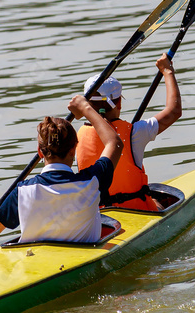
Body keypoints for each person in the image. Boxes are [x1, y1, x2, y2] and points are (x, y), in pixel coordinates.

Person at [0, 95, 123, 243]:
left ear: (40, 152)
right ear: (73, 150)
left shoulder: (21, 192)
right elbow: (114, 142)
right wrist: (85, 108)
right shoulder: (92, 181)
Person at [75, 53, 182, 211]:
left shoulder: (75, 137)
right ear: (118, 103)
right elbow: (174, 111)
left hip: (98, 217)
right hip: (137, 212)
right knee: (157, 201)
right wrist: (167, 71)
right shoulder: (136, 133)